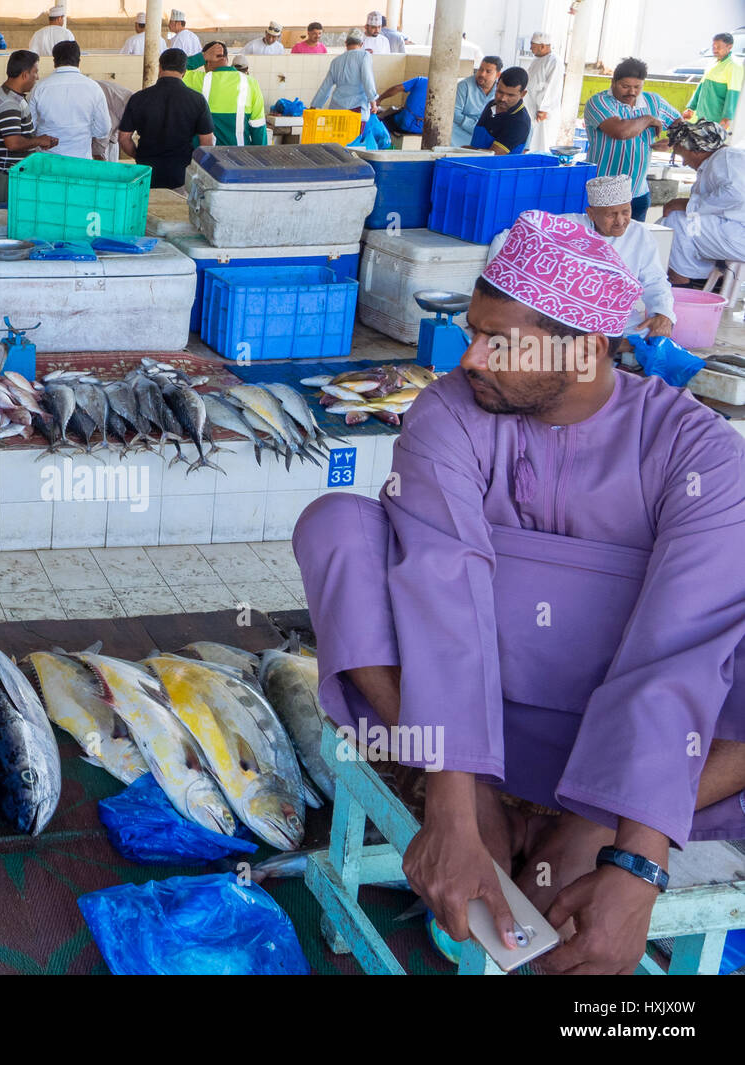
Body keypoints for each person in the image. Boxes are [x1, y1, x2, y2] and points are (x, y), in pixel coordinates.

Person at [294, 209, 745, 976]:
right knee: (338, 524)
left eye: (499, 341)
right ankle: (488, 795)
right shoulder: (448, 413)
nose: (470, 358)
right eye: (473, 330)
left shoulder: (698, 450)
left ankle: (583, 816)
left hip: (640, 751)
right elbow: (445, 594)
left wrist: (630, 856)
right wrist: (455, 804)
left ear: (586, 349)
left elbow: (680, 647)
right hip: (469, 717)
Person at [488, 176, 675, 339]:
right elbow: (505, 236)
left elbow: (655, 280)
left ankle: (615, 349)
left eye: (625, 212)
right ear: (591, 214)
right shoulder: (568, 226)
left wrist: (663, 313)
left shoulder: (640, 235)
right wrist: (503, 289)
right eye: (611, 214)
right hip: (570, 314)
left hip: (615, 316)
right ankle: (614, 350)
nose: (620, 221)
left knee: (648, 334)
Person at [583, 58, 680, 223]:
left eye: (637, 87)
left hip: (638, 192)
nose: (632, 92)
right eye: (625, 86)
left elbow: (681, 126)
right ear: (613, 82)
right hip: (602, 192)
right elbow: (620, 131)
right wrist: (649, 119)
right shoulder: (599, 102)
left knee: (633, 243)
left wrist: (672, 141)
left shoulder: (653, 101)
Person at [662, 119, 745, 286]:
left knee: (676, 221)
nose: (684, 162)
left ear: (696, 150)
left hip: (740, 236)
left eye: (681, 155)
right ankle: (705, 278)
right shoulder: (719, 160)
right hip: (735, 231)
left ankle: (683, 281)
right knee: (665, 227)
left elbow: (736, 194)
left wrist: (688, 204)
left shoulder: (726, 158)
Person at [119, 47, 213, 188]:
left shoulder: (138, 98)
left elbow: (123, 138)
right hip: (181, 175)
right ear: (184, 71)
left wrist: (139, 156)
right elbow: (206, 142)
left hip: (146, 175)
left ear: (160, 67)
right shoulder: (197, 100)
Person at [0, 50, 57, 203]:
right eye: (35, 72)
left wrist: (35, 142)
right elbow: (12, 143)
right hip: (4, 177)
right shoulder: (9, 103)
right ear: (25, 75)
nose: (37, 77)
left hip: (8, 175)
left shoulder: (13, 95)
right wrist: (38, 141)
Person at [30, 41, 111, 160]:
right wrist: (82, 133)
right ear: (79, 61)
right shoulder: (93, 88)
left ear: (54, 62)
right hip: (80, 160)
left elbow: (29, 126)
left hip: (47, 161)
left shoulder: (39, 88)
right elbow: (103, 129)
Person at [184, 41, 266, 146]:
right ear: (227, 59)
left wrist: (202, 57)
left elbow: (173, 70)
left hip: (207, 157)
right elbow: (258, 127)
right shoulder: (251, 83)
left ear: (207, 63)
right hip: (239, 156)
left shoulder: (202, 81)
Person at [310, 29, 377, 124]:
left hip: (336, 109)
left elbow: (325, 87)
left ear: (346, 43)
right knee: (354, 138)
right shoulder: (364, 56)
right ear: (362, 44)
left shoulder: (336, 61)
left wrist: (314, 106)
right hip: (356, 110)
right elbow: (368, 81)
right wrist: (373, 102)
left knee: (337, 138)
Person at [684, 32, 741, 131]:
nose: (715, 49)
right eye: (713, 46)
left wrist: (727, 118)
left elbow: (733, 93)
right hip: (702, 116)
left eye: (718, 46)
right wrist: (691, 108)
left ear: (729, 46)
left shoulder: (733, 65)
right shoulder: (713, 63)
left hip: (717, 119)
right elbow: (701, 87)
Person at [471, 66, 531, 155]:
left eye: (510, 95)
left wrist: (462, 152)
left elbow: (491, 156)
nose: (503, 98)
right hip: (472, 163)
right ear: (496, 85)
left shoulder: (520, 122)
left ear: (523, 94)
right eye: (500, 92)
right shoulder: (491, 105)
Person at [525, 31, 564, 152]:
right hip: (531, 108)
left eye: (533, 45)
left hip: (543, 112)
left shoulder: (554, 61)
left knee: (542, 143)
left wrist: (544, 108)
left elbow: (553, 86)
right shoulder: (536, 60)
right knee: (531, 143)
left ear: (542, 46)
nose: (530, 48)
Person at [452, 55, 501, 146]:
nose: (482, 74)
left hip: (487, 132)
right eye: (481, 69)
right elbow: (455, 113)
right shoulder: (464, 86)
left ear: (498, 75)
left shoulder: (500, 91)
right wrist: (474, 128)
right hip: (461, 130)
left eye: (488, 71)